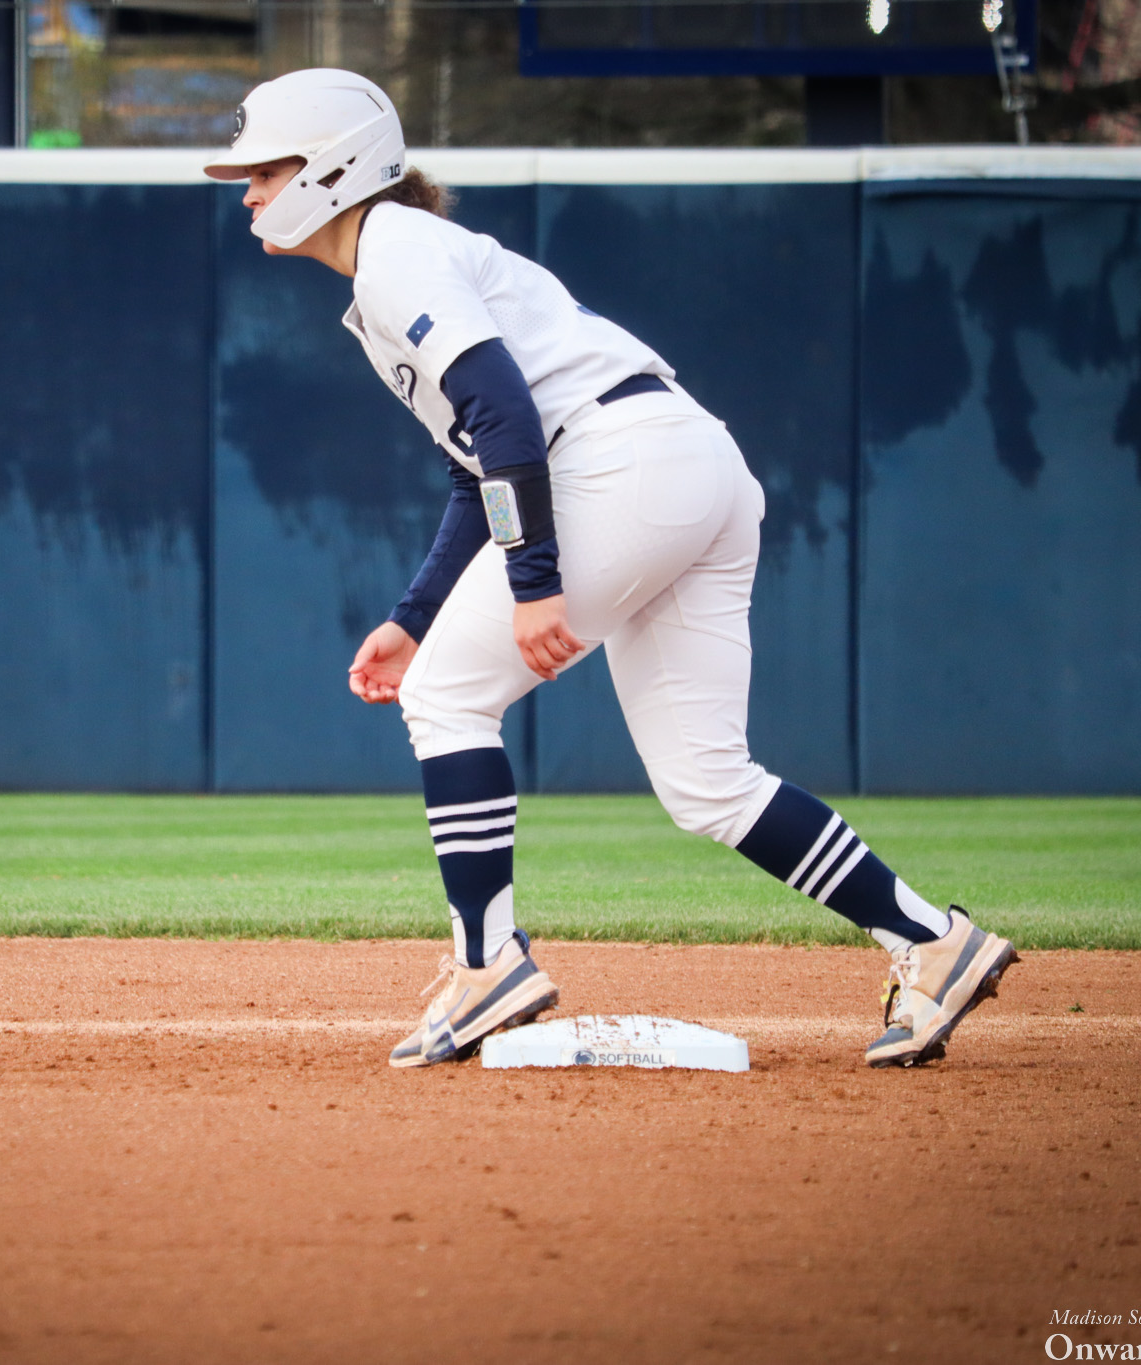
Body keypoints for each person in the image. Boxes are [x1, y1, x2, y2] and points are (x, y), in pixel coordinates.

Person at [203, 68, 1018, 1071]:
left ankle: (485, 963)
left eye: (263, 169)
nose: (245, 191)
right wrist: (415, 616)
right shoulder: (406, 257)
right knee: (706, 783)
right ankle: (934, 943)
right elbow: (480, 467)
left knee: (447, 704)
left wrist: (533, 580)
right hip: (689, 462)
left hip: (618, 462)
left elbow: (507, 420)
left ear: (330, 169)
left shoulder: (395, 257)